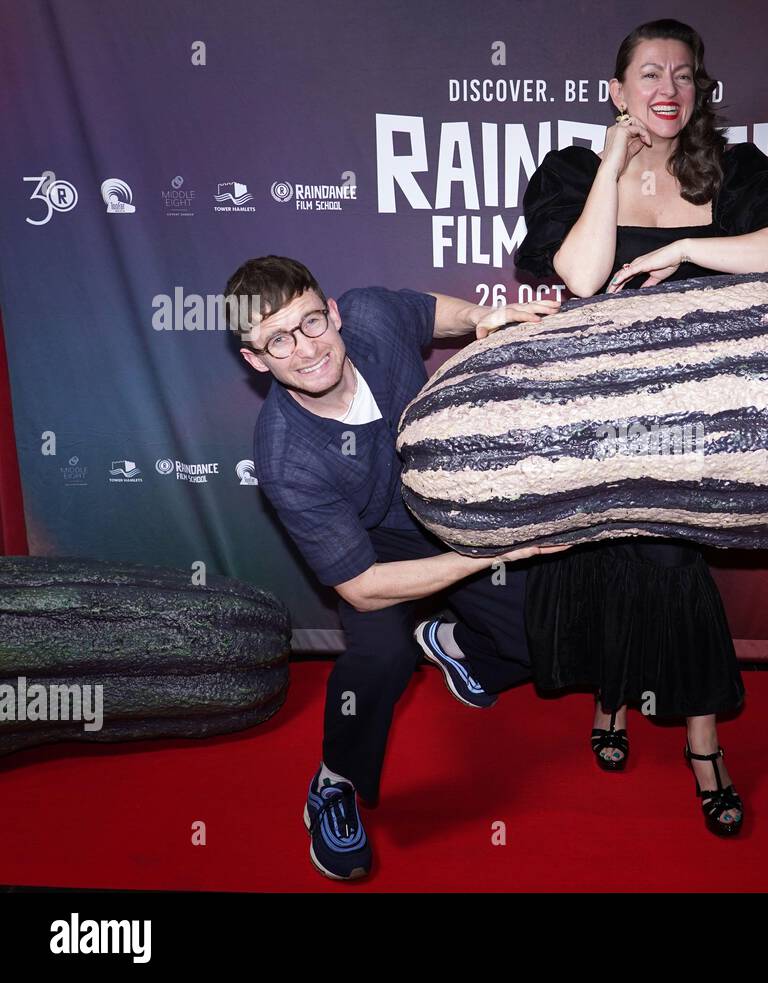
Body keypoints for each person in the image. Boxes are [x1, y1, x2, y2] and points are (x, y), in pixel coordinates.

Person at [514, 18, 768, 837]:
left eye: (684, 75)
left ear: (700, 88)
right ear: (617, 92)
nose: (668, 90)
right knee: (608, 553)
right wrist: (612, 169)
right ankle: (611, 702)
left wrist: (686, 245)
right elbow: (578, 275)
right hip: (595, 405)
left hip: (694, 412)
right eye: (649, 74)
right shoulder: (577, 170)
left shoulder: (731, 169)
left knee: (669, 563)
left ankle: (704, 745)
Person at [229, 255, 563, 879]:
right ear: (256, 360)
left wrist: (481, 316)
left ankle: (456, 645)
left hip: (442, 505)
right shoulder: (284, 457)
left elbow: (430, 312)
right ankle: (335, 781)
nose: (305, 351)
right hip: (369, 550)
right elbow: (360, 588)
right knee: (382, 655)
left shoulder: (371, 316)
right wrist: (485, 555)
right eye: (276, 341)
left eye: (309, 324)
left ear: (333, 312)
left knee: (543, 626)